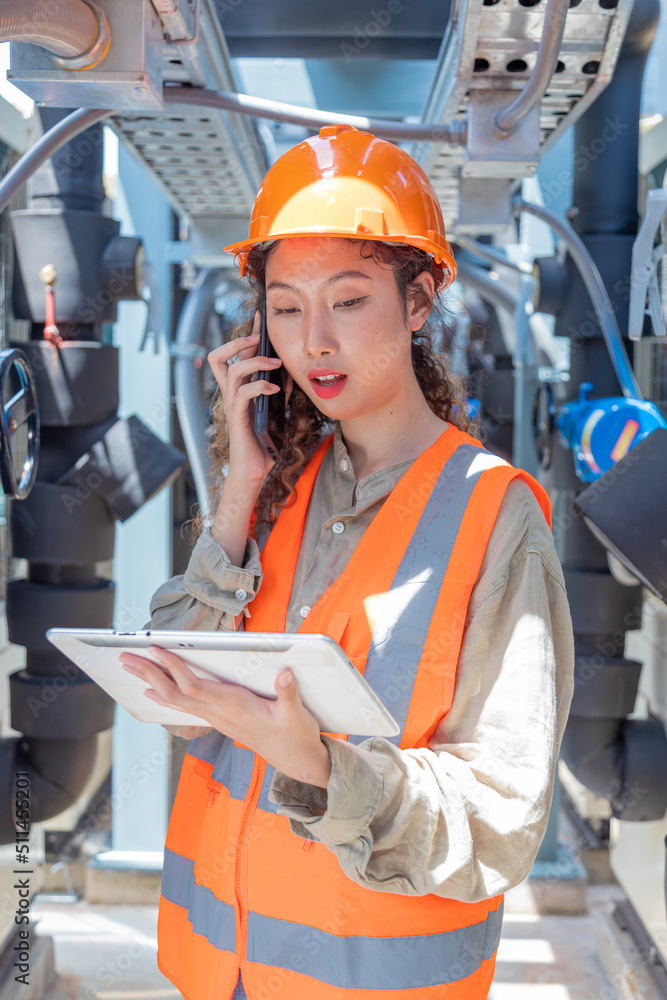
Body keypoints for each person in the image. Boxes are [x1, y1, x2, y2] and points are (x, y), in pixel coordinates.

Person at [121, 124, 574, 1000]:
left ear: (419, 300)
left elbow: (503, 818)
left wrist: (324, 770)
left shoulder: (493, 511)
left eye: (349, 299)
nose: (313, 341)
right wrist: (238, 489)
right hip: (223, 972)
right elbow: (172, 703)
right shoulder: (280, 483)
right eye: (285, 308)